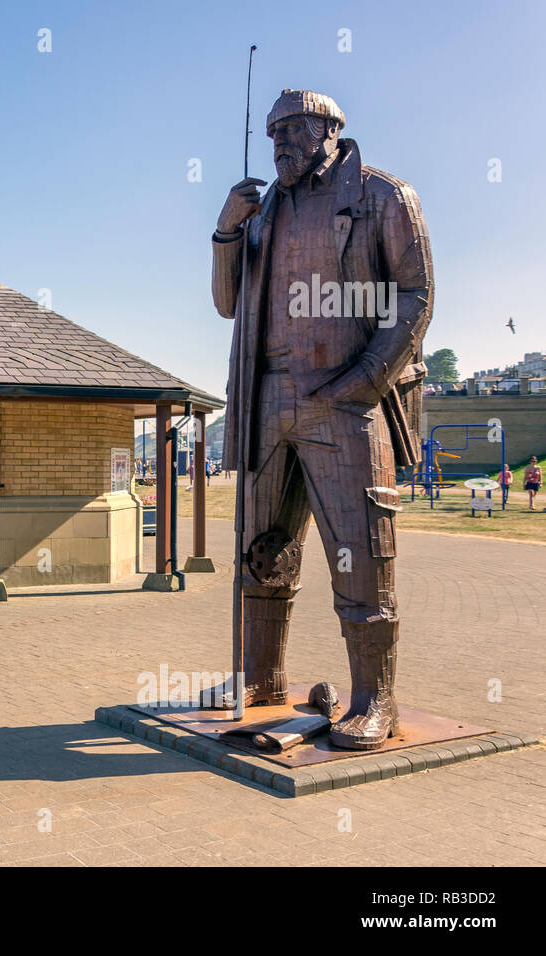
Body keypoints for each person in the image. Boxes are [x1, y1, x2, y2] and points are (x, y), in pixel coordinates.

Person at [209, 89, 433, 750]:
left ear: (332, 128)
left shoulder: (381, 197)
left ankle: (374, 698)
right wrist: (226, 230)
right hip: (267, 397)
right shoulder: (261, 212)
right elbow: (228, 305)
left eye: (296, 128)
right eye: (275, 130)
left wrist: (366, 379)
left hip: (346, 400)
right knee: (262, 544)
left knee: (361, 552)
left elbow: (416, 293)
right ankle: (262, 677)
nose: (281, 140)